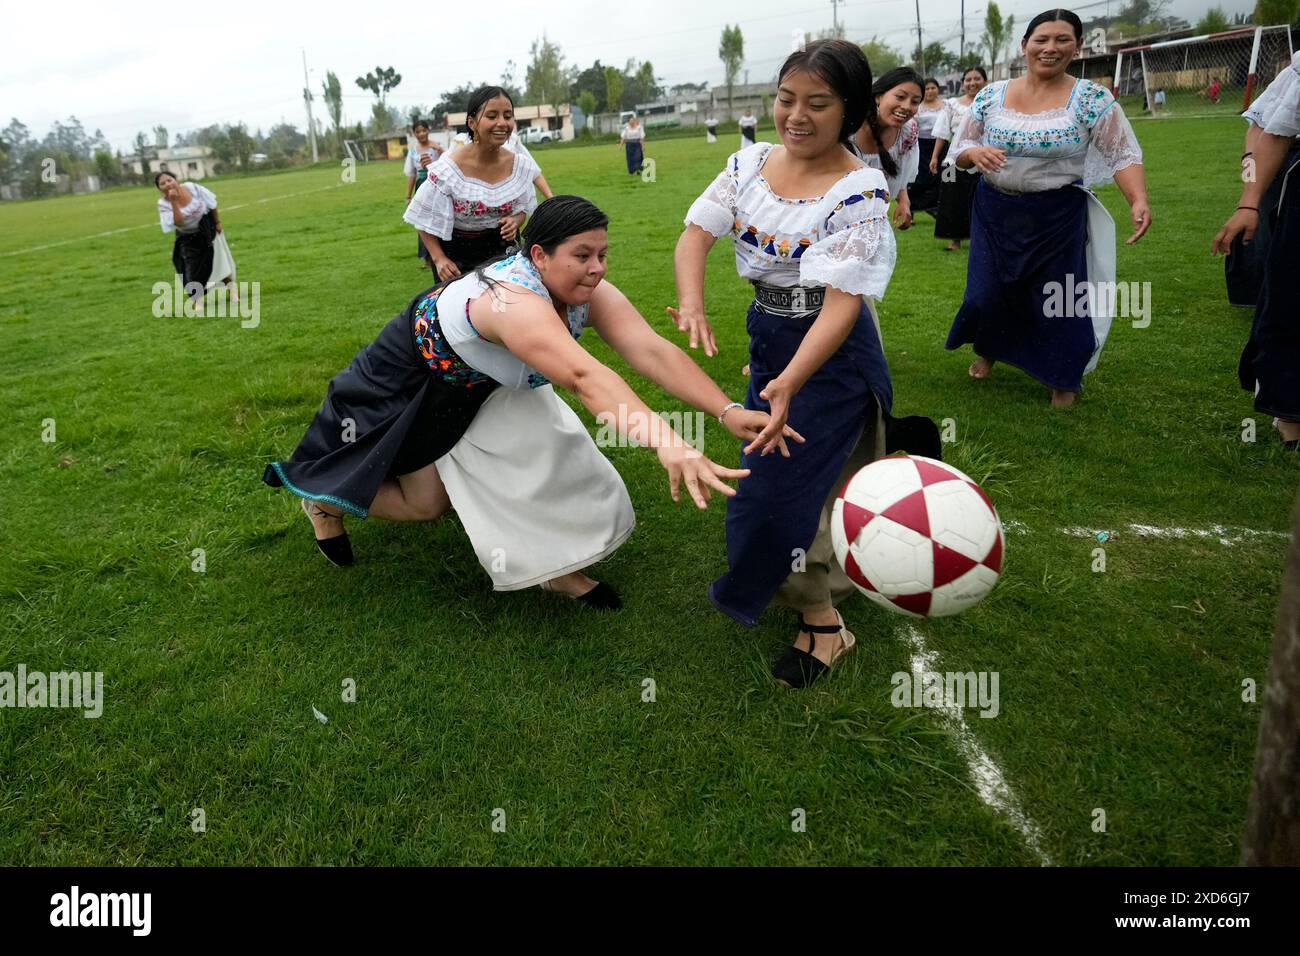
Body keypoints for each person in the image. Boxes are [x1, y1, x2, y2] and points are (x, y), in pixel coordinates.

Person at [265, 196, 795, 605]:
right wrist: (669, 444)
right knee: (424, 504)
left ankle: (559, 572)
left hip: (488, 385)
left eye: (603, 254)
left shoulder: (588, 293)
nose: (597, 268)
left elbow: (650, 352)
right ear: (538, 255)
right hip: (409, 384)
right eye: (582, 255)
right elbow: (587, 377)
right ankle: (323, 501)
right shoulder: (511, 302)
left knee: (558, 456)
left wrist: (725, 410)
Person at [670, 39, 902, 688]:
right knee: (788, 483)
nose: (796, 115)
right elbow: (696, 235)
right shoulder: (749, 163)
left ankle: (825, 625)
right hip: (771, 337)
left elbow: (840, 305)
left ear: (851, 110)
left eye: (818, 104)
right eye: (786, 99)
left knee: (775, 496)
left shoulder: (858, 191)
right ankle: (818, 590)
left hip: (830, 350)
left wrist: (792, 381)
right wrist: (692, 299)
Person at [945, 9, 1151, 408]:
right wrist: (976, 152)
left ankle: (1062, 377)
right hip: (994, 212)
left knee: (1059, 299)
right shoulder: (991, 96)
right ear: (1024, 46)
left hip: (1057, 216)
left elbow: (1122, 152)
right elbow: (960, 152)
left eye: (1062, 40)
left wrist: (1137, 199)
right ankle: (988, 349)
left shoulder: (1092, 99)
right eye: (1041, 39)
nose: (1050, 48)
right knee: (985, 294)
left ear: (1076, 47)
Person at [1213, 50, 1300, 450]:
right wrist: (1250, 198)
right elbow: (1265, 131)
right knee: (1289, 297)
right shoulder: (1293, 75)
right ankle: (1289, 413)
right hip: (1287, 184)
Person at [404, 86, 540, 281]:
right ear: (472, 122)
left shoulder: (519, 166)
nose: (502, 123)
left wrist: (515, 221)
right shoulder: (449, 170)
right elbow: (423, 217)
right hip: (456, 260)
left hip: (503, 255)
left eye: (508, 116)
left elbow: (522, 208)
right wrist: (439, 258)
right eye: (492, 116)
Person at [851, 68, 923, 230]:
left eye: (915, 101)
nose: (906, 106)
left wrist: (904, 202)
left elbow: (901, 174)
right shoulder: (849, 128)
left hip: (874, 222)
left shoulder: (907, 132)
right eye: (900, 97)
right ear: (879, 97)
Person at [156, 171, 235, 305]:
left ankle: (232, 292)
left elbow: (212, 204)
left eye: (169, 180)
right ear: (159, 189)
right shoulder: (163, 204)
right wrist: (174, 202)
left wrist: (217, 222)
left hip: (207, 228)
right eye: (162, 183)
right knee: (192, 269)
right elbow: (179, 222)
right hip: (188, 237)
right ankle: (198, 302)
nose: (167, 184)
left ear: (176, 180)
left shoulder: (193, 188)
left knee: (219, 262)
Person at [931, 66, 988, 251]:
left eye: (976, 78)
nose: (972, 83)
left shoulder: (991, 102)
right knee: (951, 198)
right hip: (952, 159)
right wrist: (934, 157)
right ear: (963, 83)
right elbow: (942, 133)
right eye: (968, 79)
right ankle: (954, 239)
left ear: (984, 81)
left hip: (982, 157)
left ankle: (979, 238)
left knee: (980, 196)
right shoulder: (951, 104)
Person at [404, 119, 444, 269]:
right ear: (414, 134)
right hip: (421, 186)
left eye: (423, 130)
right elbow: (411, 174)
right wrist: (408, 196)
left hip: (437, 185)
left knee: (438, 218)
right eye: (417, 131)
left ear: (428, 130)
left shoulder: (436, 148)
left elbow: (449, 164)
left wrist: (439, 151)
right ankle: (427, 258)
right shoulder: (413, 151)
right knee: (421, 220)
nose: (421, 134)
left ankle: (441, 253)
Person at [909, 78, 947, 216]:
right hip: (920, 145)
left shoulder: (946, 106)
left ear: (938, 89)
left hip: (940, 144)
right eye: (927, 88)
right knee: (918, 177)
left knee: (937, 177)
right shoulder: (917, 107)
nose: (930, 91)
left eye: (933, 88)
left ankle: (932, 206)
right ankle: (910, 207)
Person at [505, 129, 554, 199]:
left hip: (523, 204)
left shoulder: (513, 138)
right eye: (492, 117)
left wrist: (552, 201)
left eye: (507, 118)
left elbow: (534, 173)